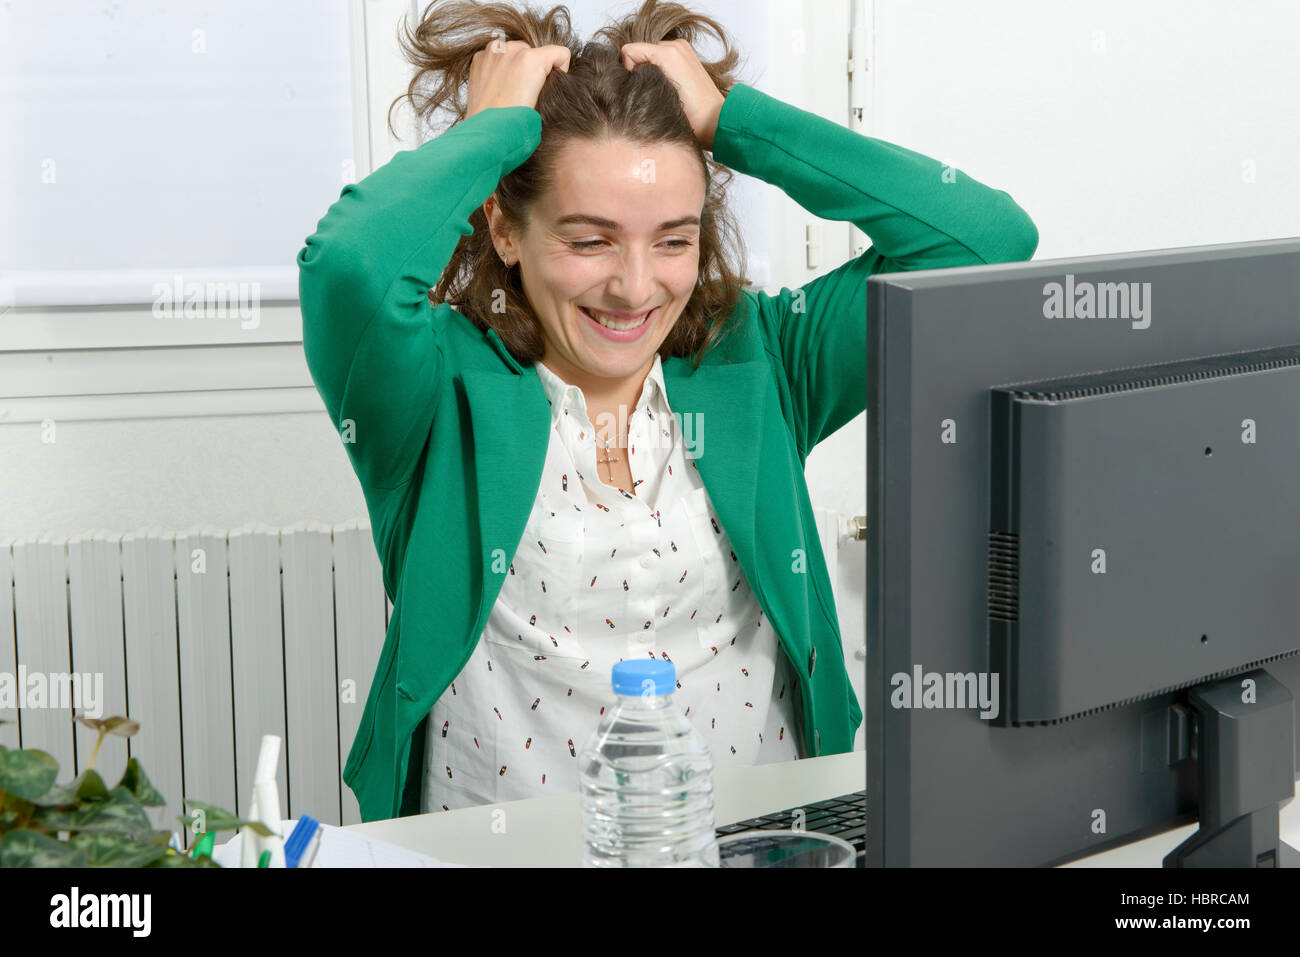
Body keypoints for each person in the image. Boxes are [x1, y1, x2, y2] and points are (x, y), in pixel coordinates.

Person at [298, 0, 1038, 823]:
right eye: (590, 240)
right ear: (504, 228)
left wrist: (732, 123)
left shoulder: (761, 361)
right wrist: (494, 130)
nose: (635, 286)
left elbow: (986, 242)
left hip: (757, 842)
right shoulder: (432, 390)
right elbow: (349, 264)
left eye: (673, 239)